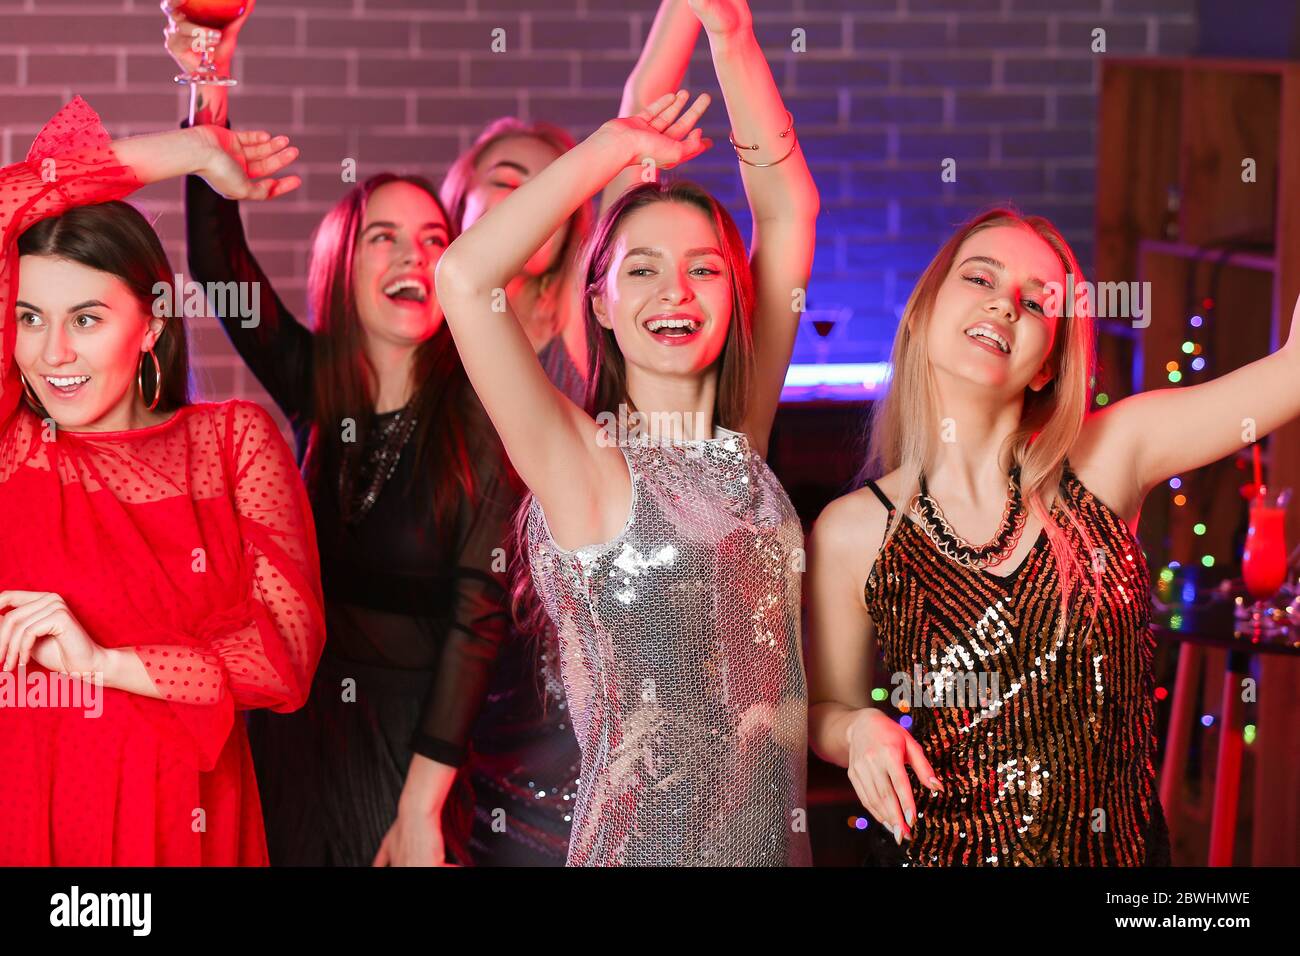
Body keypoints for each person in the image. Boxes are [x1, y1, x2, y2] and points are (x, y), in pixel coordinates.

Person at [435, 0, 819, 866]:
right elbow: (463, 277)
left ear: (736, 298)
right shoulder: (586, 465)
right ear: (599, 305)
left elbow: (788, 212)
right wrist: (613, 148)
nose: (674, 292)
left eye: (704, 269)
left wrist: (732, 37)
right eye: (641, 270)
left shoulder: (737, 444)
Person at [806, 206, 1300, 865]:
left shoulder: (1113, 455)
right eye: (980, 279)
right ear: (923, 313)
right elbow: (825, 710)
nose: (1006, 305)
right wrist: (858, 727)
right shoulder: (851, 530)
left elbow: (1291, 374)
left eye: (1037, 303)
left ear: (1046, 368)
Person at [165, 2, 518, 866]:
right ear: (342, 262)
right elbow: (217, 259)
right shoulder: (315, 382)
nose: (412, 257)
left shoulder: (482, 413)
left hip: (413, 751)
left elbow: (480, 621)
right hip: (290, 727)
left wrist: (422, 808)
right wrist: (210, 81)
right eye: (384, 237)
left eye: (434, 239)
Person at [0, 96, 321, 865]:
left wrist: (102, 663)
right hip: (27, 808)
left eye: (86, 318)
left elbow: (286, 651)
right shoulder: (14, 444)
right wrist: (197, 151)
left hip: (181, 821)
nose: (52, 354)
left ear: (150, 323)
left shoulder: (230, 442)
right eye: (28, 317)